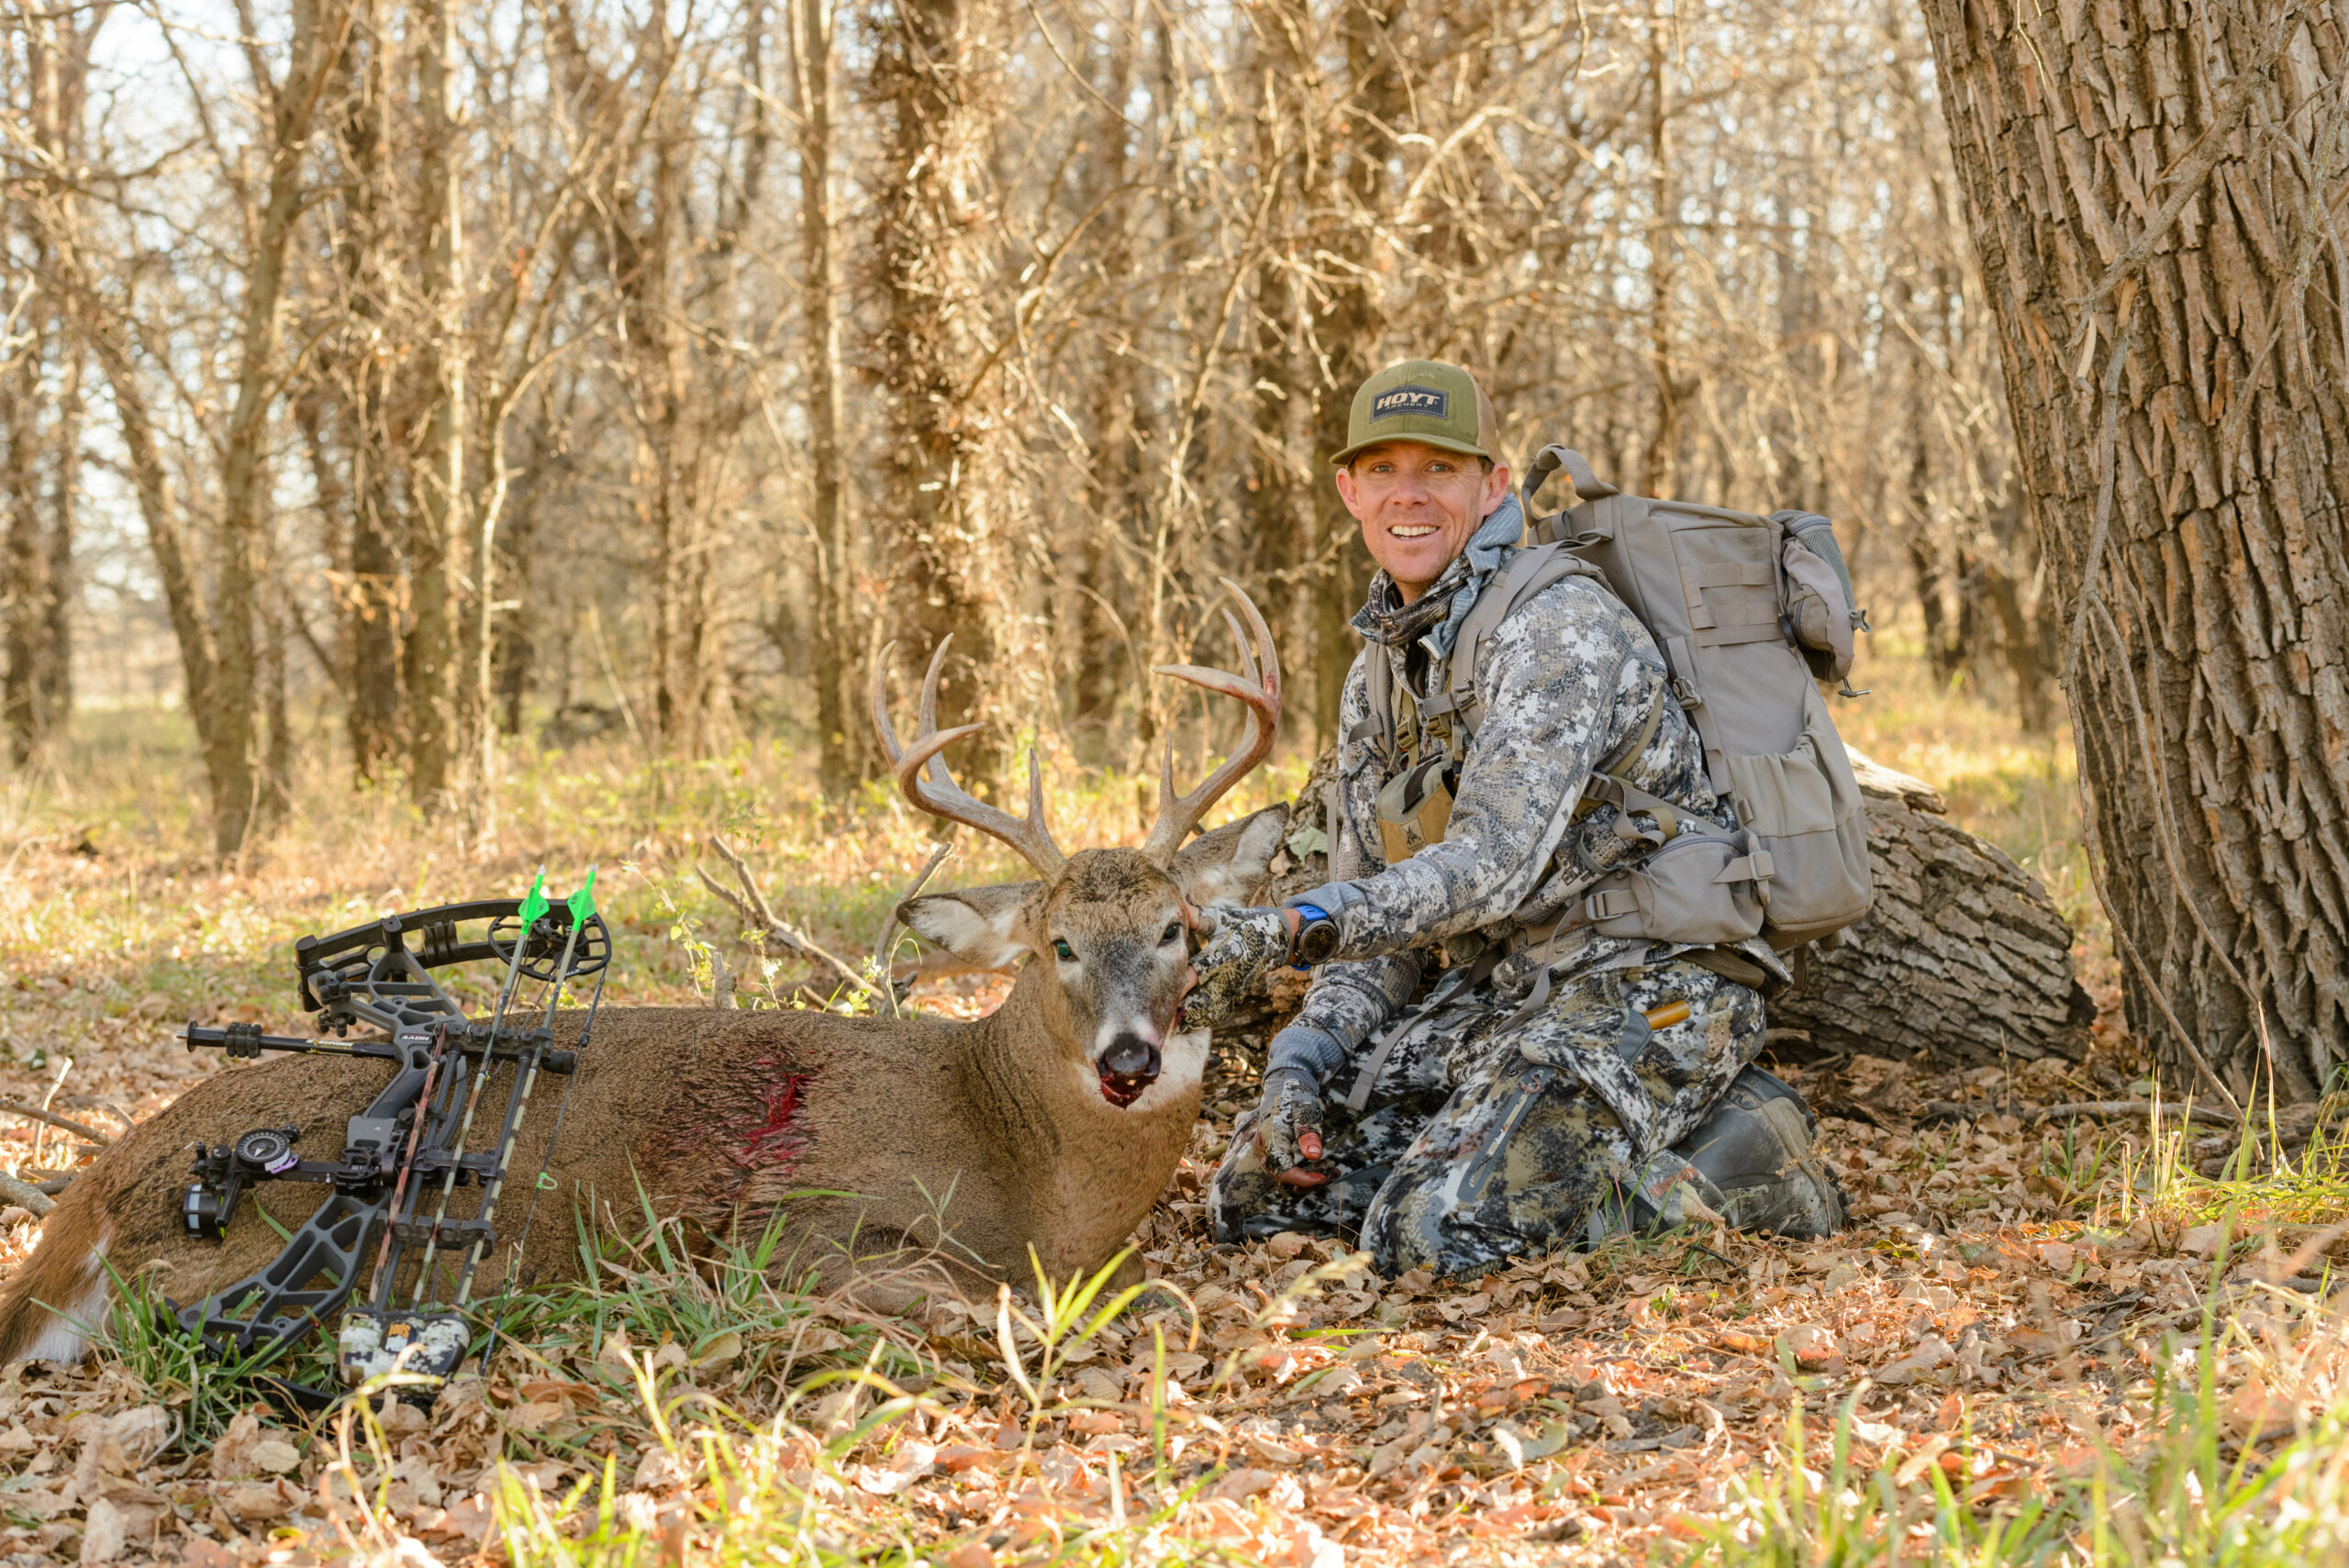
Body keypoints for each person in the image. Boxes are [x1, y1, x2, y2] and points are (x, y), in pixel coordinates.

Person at [1183, 359, 1843, 1280]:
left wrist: (1293, 926)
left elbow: (1488, 865)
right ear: (1348, 490)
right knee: (1253, 1199)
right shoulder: (1378, 671)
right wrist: (1301, 1060)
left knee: (1430, 1233)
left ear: (1490, 484)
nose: (1406, 497)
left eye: (1437, 470)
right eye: (1381, 471)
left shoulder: (1554, 626)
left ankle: (1744, 1162)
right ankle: (1515, 1150)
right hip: (1507, 992)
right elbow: (1383, 930)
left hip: (1652, 987)